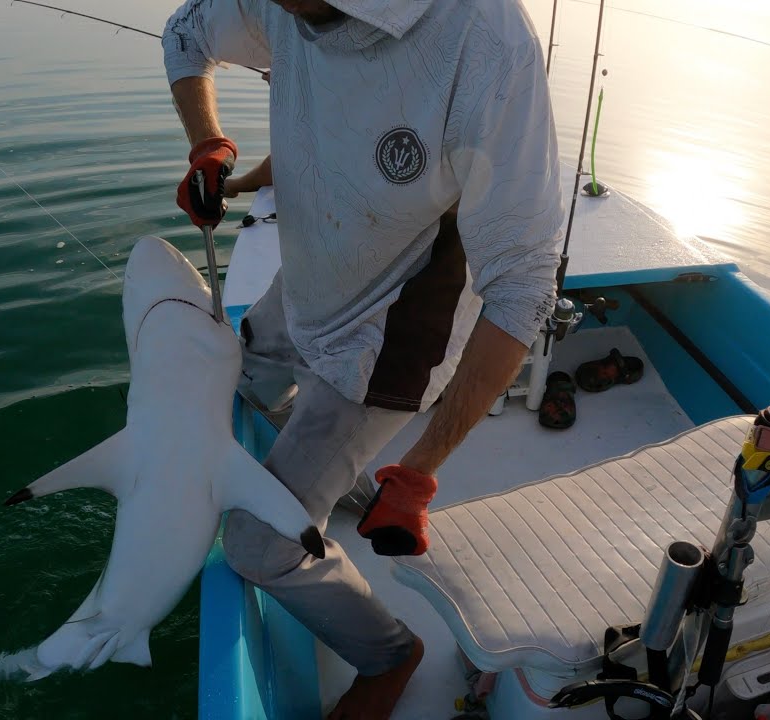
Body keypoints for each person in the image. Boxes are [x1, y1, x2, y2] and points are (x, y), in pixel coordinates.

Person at [162, 0, 565, 716]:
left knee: (255, 545)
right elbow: (187, 33)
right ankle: (338, 478)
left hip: (388, 337)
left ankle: (389, 655)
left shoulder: (486, 43)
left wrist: (419, 475)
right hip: (308, 279)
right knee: (240, 378)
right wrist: (210, 148)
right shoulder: (274, 4)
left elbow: (525, 287)